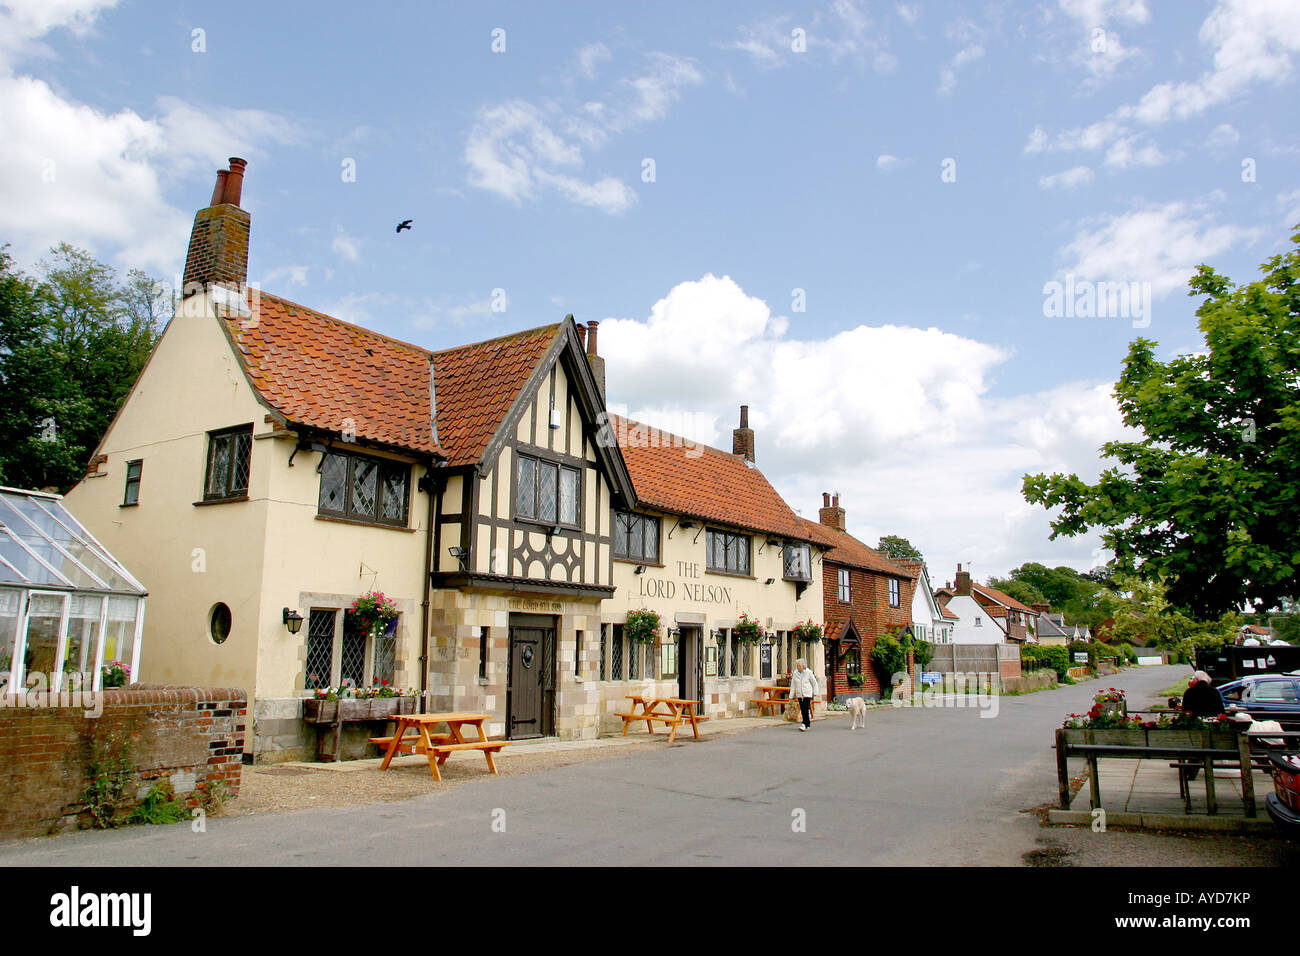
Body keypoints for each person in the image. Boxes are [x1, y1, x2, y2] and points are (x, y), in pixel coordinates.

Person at [790, 658, 819, 732]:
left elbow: (814, 683)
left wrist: (815, 692)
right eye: (797, 666)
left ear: (803, 666)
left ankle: (804, 724)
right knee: (803, 709)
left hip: (807, 693)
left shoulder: (808, 672)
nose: (798, 667)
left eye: (800, 666)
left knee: (805, 708)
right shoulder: (795, 673)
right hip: (799, 693)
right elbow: (793, 684)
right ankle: (807, 724)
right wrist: (791, 695)